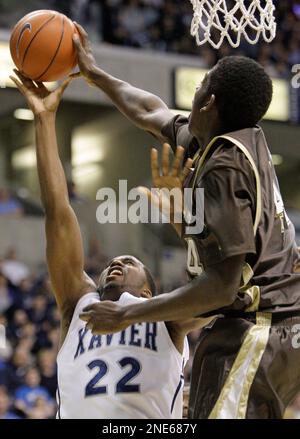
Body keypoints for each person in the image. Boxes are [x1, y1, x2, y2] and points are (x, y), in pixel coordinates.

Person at [73, 24, 300, 419]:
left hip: (259, 328)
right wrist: (95, 74)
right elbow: (149, 111)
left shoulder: (224, 167)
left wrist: (125, 314)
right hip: (269, 330)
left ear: (209, 102)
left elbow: (220, 287)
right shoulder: (230, 139)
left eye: (201, 85)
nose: (194, 90)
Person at [9, 69, 211, 419]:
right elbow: (58, 213)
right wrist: (44, 120)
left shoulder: (166, 317)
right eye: (116, 262)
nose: (116, 261)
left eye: (130, 262)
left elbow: (217, 286)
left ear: (149, 293)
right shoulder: (79, 305)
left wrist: (182, 217)